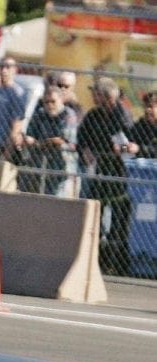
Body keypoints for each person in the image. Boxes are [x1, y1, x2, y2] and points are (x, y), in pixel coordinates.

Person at [77, 77, 139, 276]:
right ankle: (94, 261)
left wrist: (121, 149)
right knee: (95, 215)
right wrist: (84, 149)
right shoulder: (94, 115)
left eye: (96, 93)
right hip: (99, 172)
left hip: (120, 173)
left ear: (108, 97)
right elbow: (81, 136)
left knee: (118, 221)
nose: (93, 96)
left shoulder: (123, 115)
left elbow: (134, 144)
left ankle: (116, 264)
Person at [22, 85, 77, 195]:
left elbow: (61, 141)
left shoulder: (68, 115)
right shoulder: (40, 113)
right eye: (46, 102)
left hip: (61, 166)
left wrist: (39, 143)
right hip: (40, 164)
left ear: (61, 100)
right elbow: (29, 136)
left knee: (57, 198)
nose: (49, 105)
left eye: (53, 101)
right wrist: (37, 142)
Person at [130, 91, 157, 159]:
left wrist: (139, 149)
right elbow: (129, 140)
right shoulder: (140, 124)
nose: (147, 110)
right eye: (145, 106)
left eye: (150, 106)